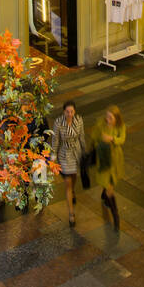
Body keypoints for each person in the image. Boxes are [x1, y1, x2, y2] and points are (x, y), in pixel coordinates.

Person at [51, 98, 86, 228]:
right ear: (64, 112)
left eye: (71, 111)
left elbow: (81, 137)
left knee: (74, 177)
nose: (69, 114)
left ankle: (73, 192)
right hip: (64, 154)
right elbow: (55, 140)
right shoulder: (58, 123)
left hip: (75, 153)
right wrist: (53, 156)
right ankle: (71, 213)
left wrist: (84, 152)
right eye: (67, 111)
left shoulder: (79, 121)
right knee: (68, 183)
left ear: (74, 111)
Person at [91, 105, 126, 231]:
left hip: (115, 160)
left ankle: (105, 196)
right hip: (104, 159)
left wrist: (111, 139)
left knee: (110, 184)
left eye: (110, 117)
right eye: (106, 116)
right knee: (109, 188)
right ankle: (115, 215)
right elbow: (94, 137)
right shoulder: (101, 124)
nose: (107, 119)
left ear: (116, 118)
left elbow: (122, 139)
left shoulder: (120, 126)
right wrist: (100, 145)